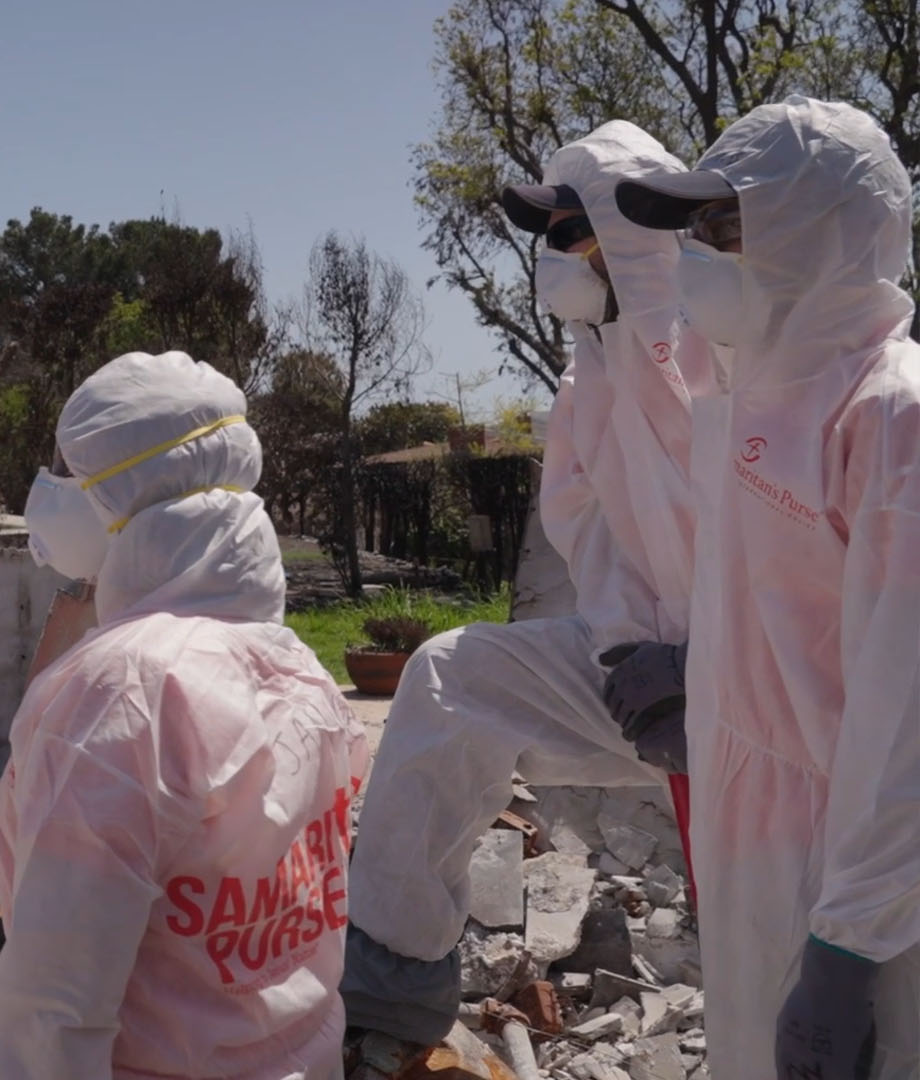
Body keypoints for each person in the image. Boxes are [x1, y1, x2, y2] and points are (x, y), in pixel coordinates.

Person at [339, 121, 706, 1046]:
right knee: (452, 678)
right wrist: (637, 653)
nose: (553, 256)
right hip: (648, 679)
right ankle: (389, 991)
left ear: (633, 240)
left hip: (782, 694)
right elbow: (596, 545)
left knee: (784, 940)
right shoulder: (591, 382)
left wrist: (711, 666)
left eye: (572, 232)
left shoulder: (730, 360)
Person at [0, 350, 370, 1079]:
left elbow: (50, 1017)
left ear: (122, 493)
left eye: (69, 466)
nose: (49, 487)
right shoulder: (298, 669)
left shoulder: (120, 691)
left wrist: (37, 948)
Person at [616, 94, 920, 1080]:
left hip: (862, 882)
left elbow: (905, 711)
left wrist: (847, 946)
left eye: (727, 226)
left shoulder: (891, 415)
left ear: (828, 233)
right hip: (751, 841)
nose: (700, 255)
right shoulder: (742, 397)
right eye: (696, 231)